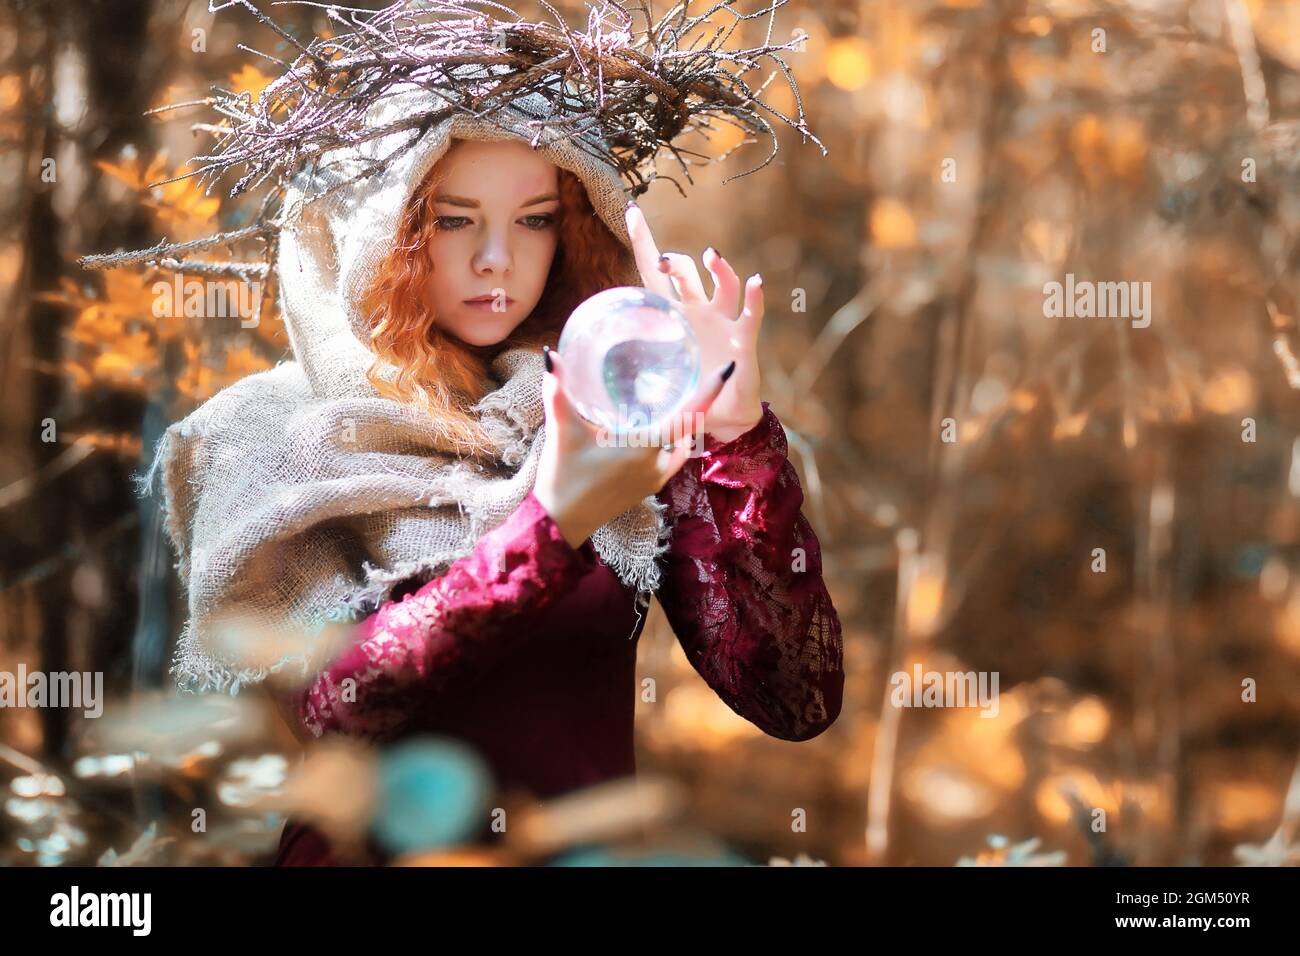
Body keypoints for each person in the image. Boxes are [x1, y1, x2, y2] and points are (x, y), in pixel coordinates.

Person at [139, 74, 843, 866]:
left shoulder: (603, 411)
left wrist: (732, 433)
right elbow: (334, 707)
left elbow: (792, 696)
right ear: (384, 226)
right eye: (453, 220)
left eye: (535, 220)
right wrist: (551, 527)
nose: (497, 259)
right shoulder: (274, 434)